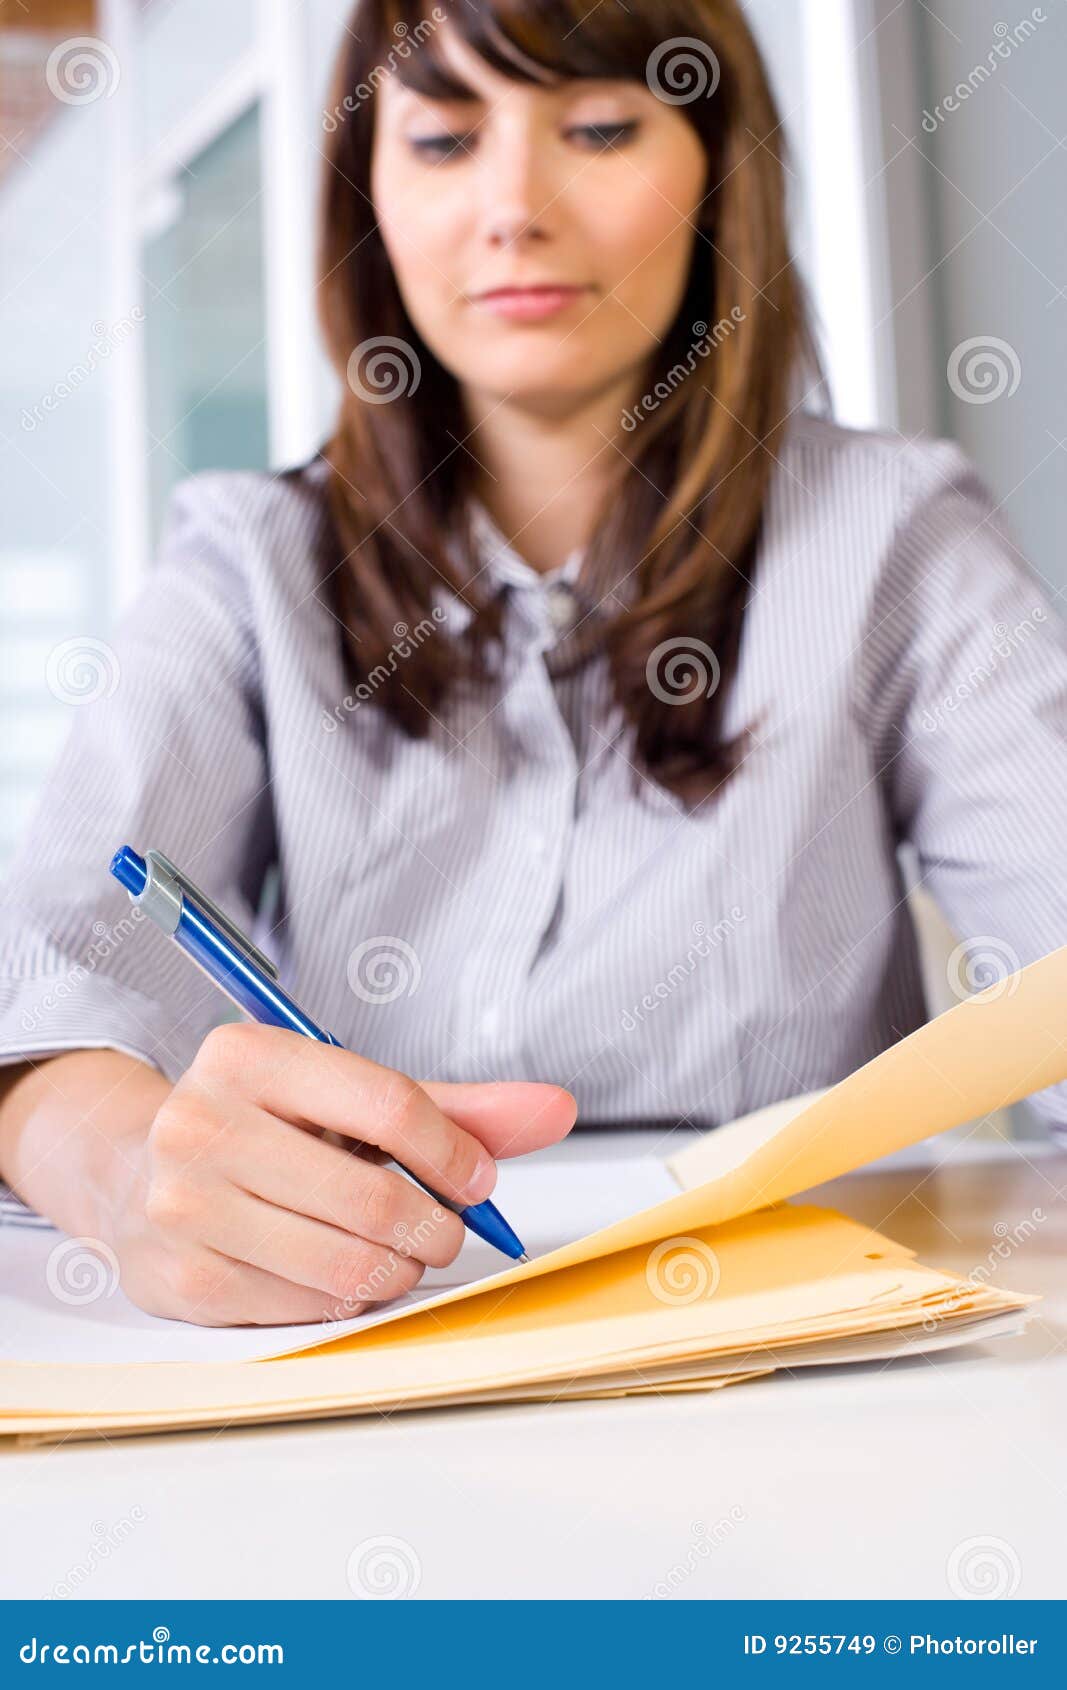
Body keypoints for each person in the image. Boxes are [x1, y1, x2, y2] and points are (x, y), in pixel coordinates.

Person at [2, 0, 1065, 1327]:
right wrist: (118, 1171)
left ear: (721, 171)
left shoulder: (896, 533)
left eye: (603, 127)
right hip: (374, 1344)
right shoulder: (245, 560)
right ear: (368, 195)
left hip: (804, 1355)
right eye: (444, 140)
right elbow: (50, 970)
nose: (514, 207)